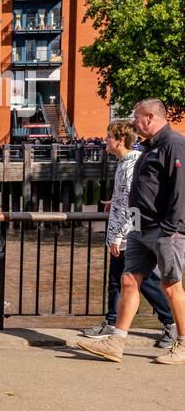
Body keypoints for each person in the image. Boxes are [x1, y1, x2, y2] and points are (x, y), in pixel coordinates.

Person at [77, 99, 185, 364]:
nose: (134, 124)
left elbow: (180, 190)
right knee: (129, 280)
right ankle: (116, 342)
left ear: (150, 117)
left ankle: (182, 343)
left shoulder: (173, 143)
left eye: (136, 118)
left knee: (171, 286)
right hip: (140, 227)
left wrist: (168, 229)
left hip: (163, 230)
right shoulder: (148, 147)